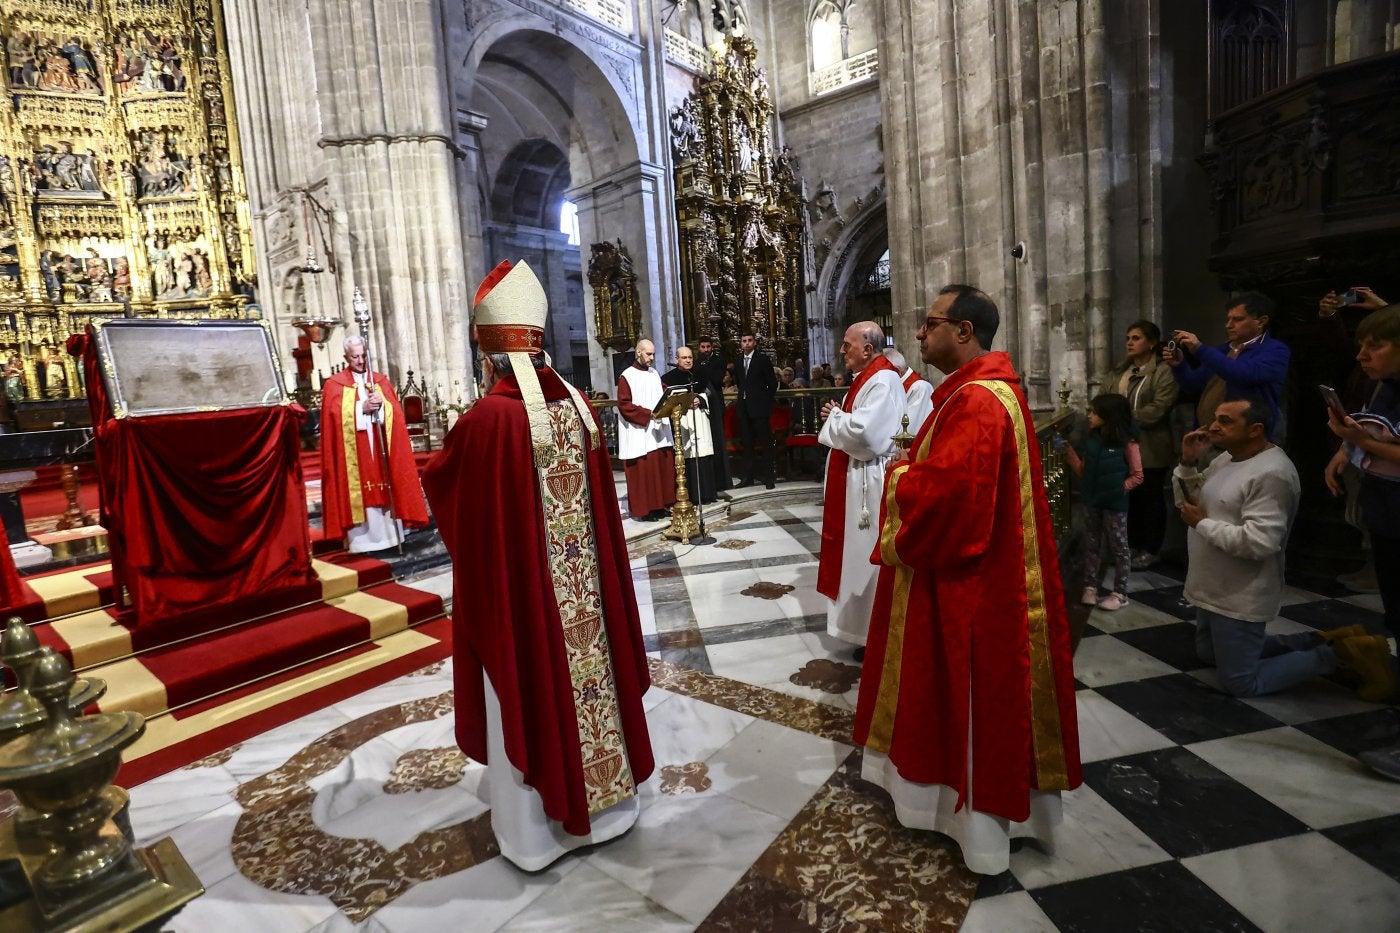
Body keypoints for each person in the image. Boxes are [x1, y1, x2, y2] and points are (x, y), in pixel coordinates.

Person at [422, 259, 654, 870]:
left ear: (490, 354)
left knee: (530, 677)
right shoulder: (579, 409)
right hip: (590, 613)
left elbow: (449, 496)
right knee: (590, 675)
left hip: (527, 610)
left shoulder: (486, 423)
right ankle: (612, 809)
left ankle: (534, 837)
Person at [854, 285, 1081, 876]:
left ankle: (975, 826)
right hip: (983, 574)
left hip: (973, 588)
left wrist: (901, 476)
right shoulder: (977, 394)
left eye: (930, 324)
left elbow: (954, 500)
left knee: (971, 699)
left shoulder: (979, 402)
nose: (920, 335)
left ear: (964, 331)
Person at [1176, 396, 1387, 698]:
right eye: (1214, 418)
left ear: (1255, 429)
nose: (1212, 427)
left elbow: (1260, 544)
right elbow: (1188, 505)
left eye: (1225, 420)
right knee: (1208, 655)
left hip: (1239, 591)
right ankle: (1318, 640)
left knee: (1241, 682)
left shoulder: (1272, 473)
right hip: (1211, 583)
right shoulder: (1226, 458)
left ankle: (1338, 655)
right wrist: (1187, 463)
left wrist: (1202, 525)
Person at [1324, 301, 1400, 779]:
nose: (1363, 355)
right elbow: (1373, 430)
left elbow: (1381, 443)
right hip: (1388, 516)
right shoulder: (1384, 387)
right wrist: (1344, 447)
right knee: (1396, 617)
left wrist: (1361, 443)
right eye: (1361, 346)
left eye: (1376, 344)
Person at [817, 321, 903, 655]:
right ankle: (864, 631)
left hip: (868, 480)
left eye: (847, 345)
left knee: (863, 557)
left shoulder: (883, 378)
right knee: (853, 556)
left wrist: (836, 417)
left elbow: (867, 436)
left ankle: (873, 635)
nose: (842, 350)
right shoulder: (869, 377)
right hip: (857, 478)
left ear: (868, 349)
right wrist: (840, 417)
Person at [319, 334, 429, 551]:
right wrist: (361, 409)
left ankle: (392, 536)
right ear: (346, 357)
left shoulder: (380, 381)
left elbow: (396, 413)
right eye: (354, 357)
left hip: (380, 447)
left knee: (386, 478)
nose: (360, 361)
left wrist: (384, 407)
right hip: (355, 449)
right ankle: (361, 542)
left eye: (363, 356)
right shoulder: (334, 385)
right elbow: (332, 419)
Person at [1166, 291, 1290, 442]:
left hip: (1247, 440)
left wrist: (1200, 349)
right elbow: (1194, 386)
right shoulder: (1224, 350)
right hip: (1210, 438)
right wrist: (1179, 366)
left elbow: (1243, 374)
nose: (1228, 325)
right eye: (1228, 319)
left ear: (1261, 321)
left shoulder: (1275, 350)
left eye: (1237, 319)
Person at [1063, 394, 1143, 611]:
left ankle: (1120, 592)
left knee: (1119, 547)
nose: (1089, 416)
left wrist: (1119, 489)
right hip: (1092, 500)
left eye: (1094, 412)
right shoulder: (1093, 439)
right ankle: (1090, 587)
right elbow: (1084, 471)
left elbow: (1137, 475)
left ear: (1109, 416)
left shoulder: (1127, 442)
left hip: (1114, 503)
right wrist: (1070, 455)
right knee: (1092, 544)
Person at [1109, 321, 1179, 569]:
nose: (1129, 342)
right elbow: (1105, 402)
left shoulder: (1162, 371)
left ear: (1151, 343)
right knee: (1131, 500)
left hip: (1150, 446)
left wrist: (1123, 420)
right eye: (1128, 337)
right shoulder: (1121, 372)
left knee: (1150, 499)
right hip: (1122, 447)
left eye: (1136, 338)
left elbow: (1159, 407)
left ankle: (1151, 549)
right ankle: (1133, 544)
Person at [616, 339, 675, 521]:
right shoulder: (627, 376)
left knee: (660, 470)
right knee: (644, 473)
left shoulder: (654, 374)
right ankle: (646, 510)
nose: (651, 358)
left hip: (657, 431)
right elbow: (624, 404)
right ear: (638, 352)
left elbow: (664, 393)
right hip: (639, 431)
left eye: (653, 354)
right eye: (648, 354)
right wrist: (647, 414)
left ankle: (661, 505)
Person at [660, 346, 718, 504]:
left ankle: (707, 494)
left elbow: (711, 395)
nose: (687, 360)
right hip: (682, 421)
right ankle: (691, 495)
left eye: (690, 358)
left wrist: (701, 398)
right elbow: (665, 401)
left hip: (700, 418)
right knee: (687, 457)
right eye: (684, 358)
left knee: (703, 454)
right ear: (677, 359)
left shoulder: (700, 374)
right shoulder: (667, 378)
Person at [733, 329, 778, 489]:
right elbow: (739, 382)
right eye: (744, 341)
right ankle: (748, 477)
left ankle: (769, 477)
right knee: (747, 444)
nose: (747, 343)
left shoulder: (762, 359)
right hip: (744, 407)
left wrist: (764, 399)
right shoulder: (738, 361)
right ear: (741, 343)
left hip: (759, 408)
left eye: (749, 340)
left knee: (766, 443)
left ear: (754, 342)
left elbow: (772, 383)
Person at [695, 336, 731, 494]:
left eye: (708, 347)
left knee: (718, 442)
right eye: (702, 347)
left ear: (712, 347)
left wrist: (703, 369)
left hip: (716, 405)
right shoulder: (696, 362)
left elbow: (716, 380)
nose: (705, 350)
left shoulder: (719, 361)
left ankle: (721, 480)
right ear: (699, 348)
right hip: (702, 406)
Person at [883, 346, 933, 435]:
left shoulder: (920, 388)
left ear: (898, 372)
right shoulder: (892, 386)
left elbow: (909, 431)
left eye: (883, 373)